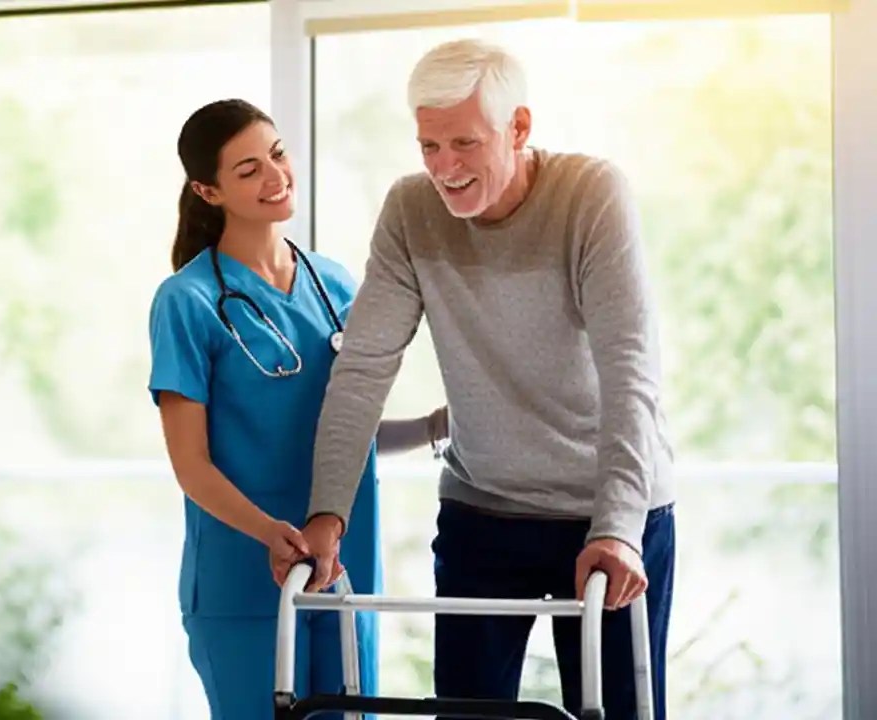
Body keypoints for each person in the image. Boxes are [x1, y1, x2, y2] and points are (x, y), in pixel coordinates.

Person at [287, 40, 677, 719]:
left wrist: (617, 527)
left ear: (519, 128)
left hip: (605, 509)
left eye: (464, 143)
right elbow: (365, 367)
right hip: (483, 510)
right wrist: (326, 515)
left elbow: (629, 368)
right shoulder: (411, 210)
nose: (445, 168)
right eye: (429, 146)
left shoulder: (589, 196)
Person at [147, 98, 448, 720]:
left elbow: (341, 433)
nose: (276, 176)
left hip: (343, 573)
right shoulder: (188, 300)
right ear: (208, 190)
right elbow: (191, 466)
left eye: (278, 154)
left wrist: (429, 428)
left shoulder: (333, 284)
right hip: (243, 583)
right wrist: (273, 535)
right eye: (249, 169)